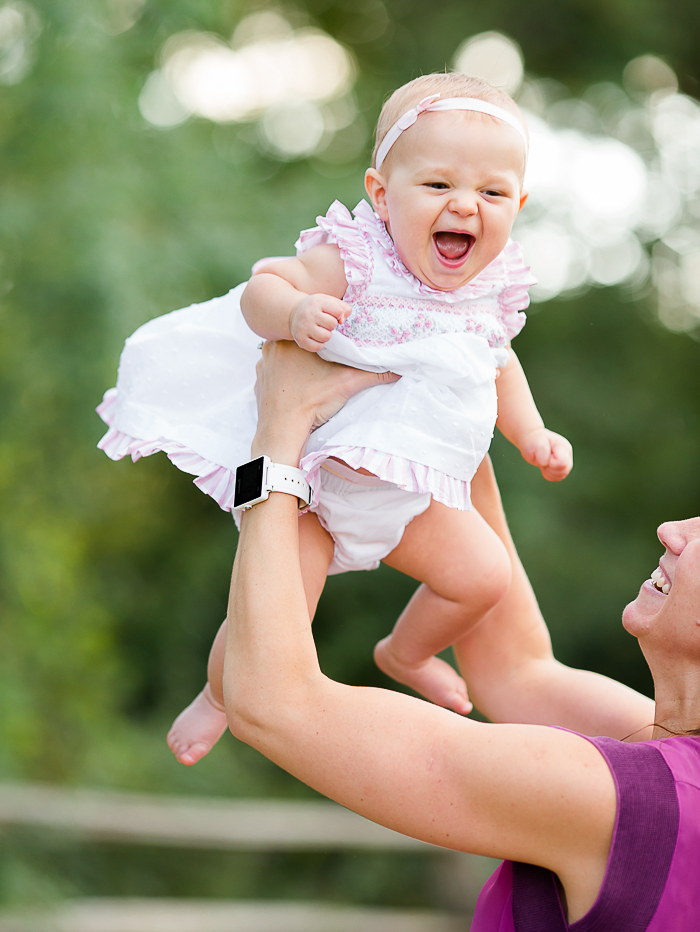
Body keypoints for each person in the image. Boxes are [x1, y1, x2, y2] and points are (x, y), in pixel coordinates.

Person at [97, 71, 572, 766]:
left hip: (408, 499)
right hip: (315, 492)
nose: (466, 205)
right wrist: (293, 312)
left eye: (493, 193)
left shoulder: (488, 290)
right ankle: (217, 696)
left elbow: (498, 363)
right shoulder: (358, 260)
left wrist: (531, 434)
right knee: (276, 613)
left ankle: (406, 653)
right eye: (438, 184)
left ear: (518, 205)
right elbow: (261, 289)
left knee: (485, 576)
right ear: (382, 194)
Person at [222, 340, 699, 931]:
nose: (672, 530)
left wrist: (278, 437)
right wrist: (450, 368)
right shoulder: (668, 755)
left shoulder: (632, 799)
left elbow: (275, 705)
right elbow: (514, 671)